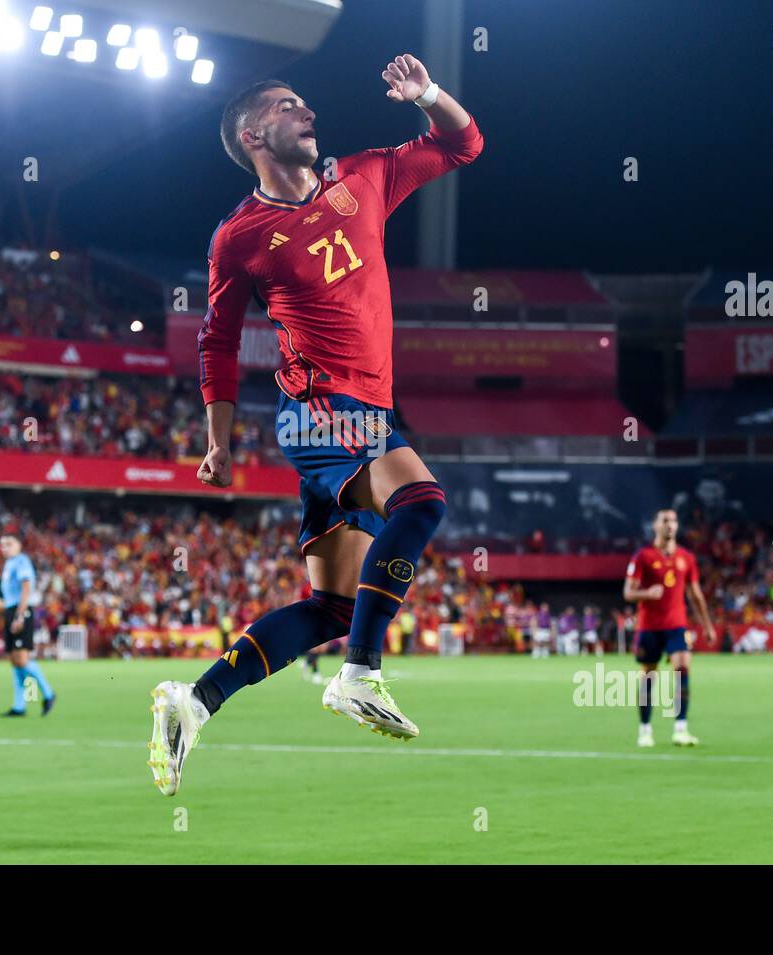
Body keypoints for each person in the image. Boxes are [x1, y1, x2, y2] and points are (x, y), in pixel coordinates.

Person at [148, 54, 483, 796]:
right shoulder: (238, 237)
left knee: (331, 603)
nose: (308, 111)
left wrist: (427, 95)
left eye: (304, 101)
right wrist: (217, 438)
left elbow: (465, 144)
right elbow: (218, 338)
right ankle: (359, 673)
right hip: (321, 411)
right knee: (422, 502)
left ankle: (193, 702)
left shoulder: (365, 176)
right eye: (289, 104)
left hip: (366, 412)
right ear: (254, 131)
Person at [623, 509, 716, 748]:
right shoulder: (642, 557)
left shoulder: (687, 558)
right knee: (648, 677)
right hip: (649, 627)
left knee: (683, 668)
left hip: (676, 625)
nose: (670, 525)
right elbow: (628, 592)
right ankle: (644, 730)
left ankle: (681, 728)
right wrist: (647, 593)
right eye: (665, 521)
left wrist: (706, 625)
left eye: (673, 520)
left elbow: (695, 595)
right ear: (655, 526)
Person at [0, 533, 56, 717]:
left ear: (19, 545)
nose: (5, 547)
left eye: (9, 543)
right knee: (15, 660)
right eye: (3, 545)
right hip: (10, 610)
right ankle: (19, 706)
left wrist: (20, 616)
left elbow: (26, 588)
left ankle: (48, 693)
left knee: (22, 658)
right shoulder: (9, 564)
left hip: (20, 611)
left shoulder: (21, 561)